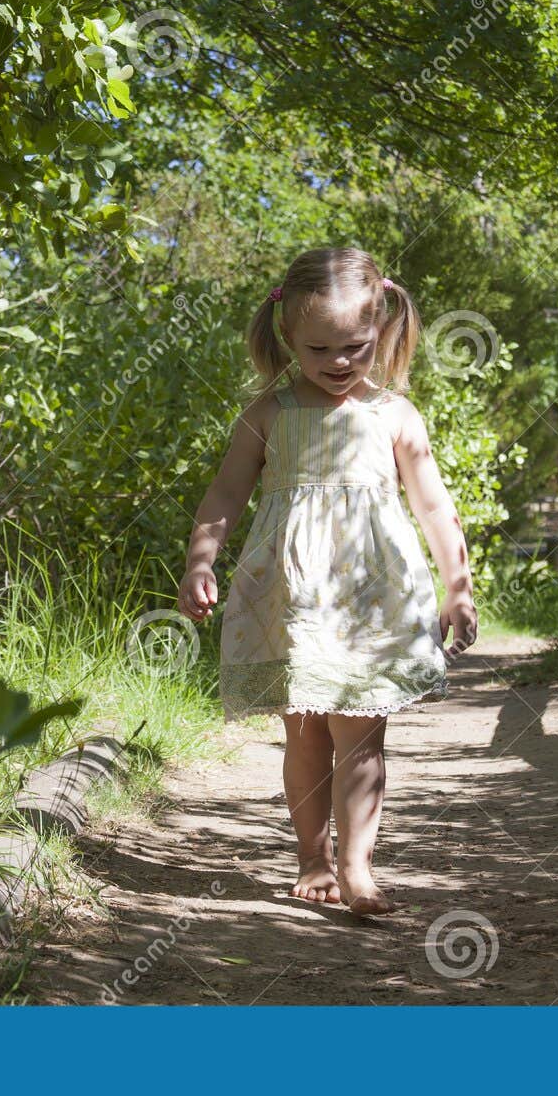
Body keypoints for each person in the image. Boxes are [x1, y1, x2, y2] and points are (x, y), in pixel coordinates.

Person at [178, 247, 477, 915]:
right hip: (290, 597)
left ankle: (356, 865)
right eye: (320, 349)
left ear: (382, 333)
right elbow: (224, 495)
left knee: (362, 731)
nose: (340, 363)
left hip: (372, 602)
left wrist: (457, 582)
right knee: (306, 732)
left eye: (357, 348)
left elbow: (433, 504)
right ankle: (312, 856)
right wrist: (202, 561)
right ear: (287, 337)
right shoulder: (268, 414)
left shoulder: (395, 415)